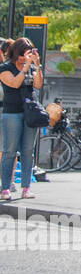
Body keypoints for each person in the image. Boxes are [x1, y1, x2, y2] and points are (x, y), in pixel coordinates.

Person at [0, 38, 44, 201]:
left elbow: (38, 85)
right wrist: (25, 67)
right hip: (11, 113)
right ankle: (5, 188)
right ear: (17, 52)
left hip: (29, 113)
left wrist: (37, 65)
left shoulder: (32, 66)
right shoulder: (5, 68)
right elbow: (13, 83)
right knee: (10, 151)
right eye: (25, 52)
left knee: (27, 152)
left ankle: (26, 188)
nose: (26, 56)